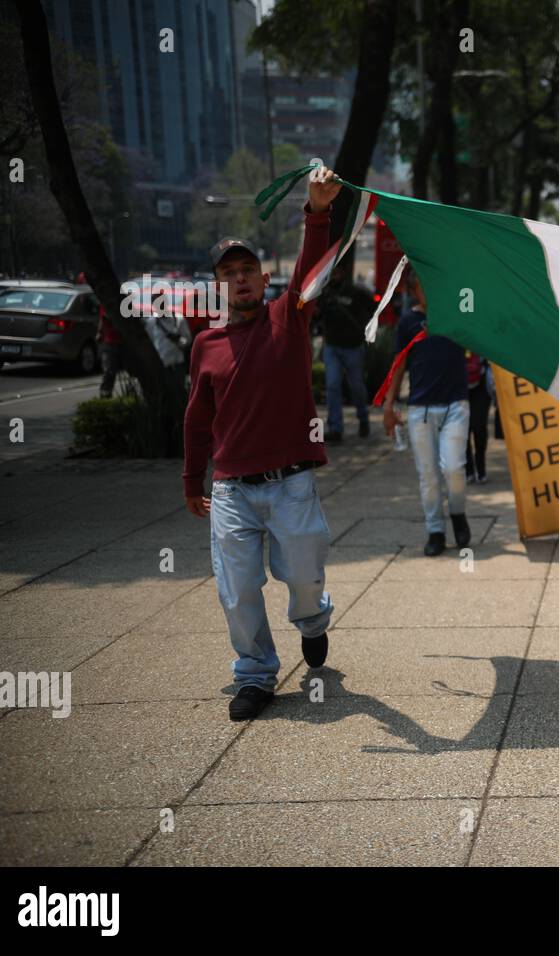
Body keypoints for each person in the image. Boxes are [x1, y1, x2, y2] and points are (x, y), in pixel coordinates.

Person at [182, 164, 342, 722]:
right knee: (238, 591)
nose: (240, 278)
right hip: (231, 491)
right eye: (229, 273)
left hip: (290, 483)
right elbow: (197, 418)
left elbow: (311, 270)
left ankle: (314, 618)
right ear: (218, 286)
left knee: (301, 576)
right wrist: (191, 477)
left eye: (248, 269)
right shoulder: (206, 344)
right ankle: (254, 675)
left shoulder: (288, 317)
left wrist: (316, 211)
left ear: (263, 277)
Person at [381, 266, 472, 556]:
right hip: (420, 410)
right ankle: (435, 530)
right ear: (413, 289)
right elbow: (398, 366)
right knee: (428, 475)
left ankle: (457, 513)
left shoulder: (459, 314)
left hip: (456, 405)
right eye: (422, 283)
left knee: (453, 468)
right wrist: (389, 406)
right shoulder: (408, 322)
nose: (429, 288)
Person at [319, 263, 373, 443]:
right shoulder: (324, 293)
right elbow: (316, 315)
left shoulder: (355, 293)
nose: (333, 276)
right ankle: (335, 429)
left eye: (336, 272)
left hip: (353, 347)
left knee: (356, 386)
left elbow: (373, 309)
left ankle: (363, 418)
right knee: (332, 386)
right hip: (332, 346)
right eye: (330, 272)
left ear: (342, 273)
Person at [465, 351, 492, 483]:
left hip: (481, 385)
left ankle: (481, 469)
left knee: (479, 426)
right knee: (464, 429)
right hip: (458, 385)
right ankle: (469, 470)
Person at [96, 306, 122, 398]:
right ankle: (105, 393)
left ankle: (106, 392)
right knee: (110, 370)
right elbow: (104, 318)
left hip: (122, 340)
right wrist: (99, 332)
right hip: (110, 340)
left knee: (112, 370)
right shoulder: (107, 303)